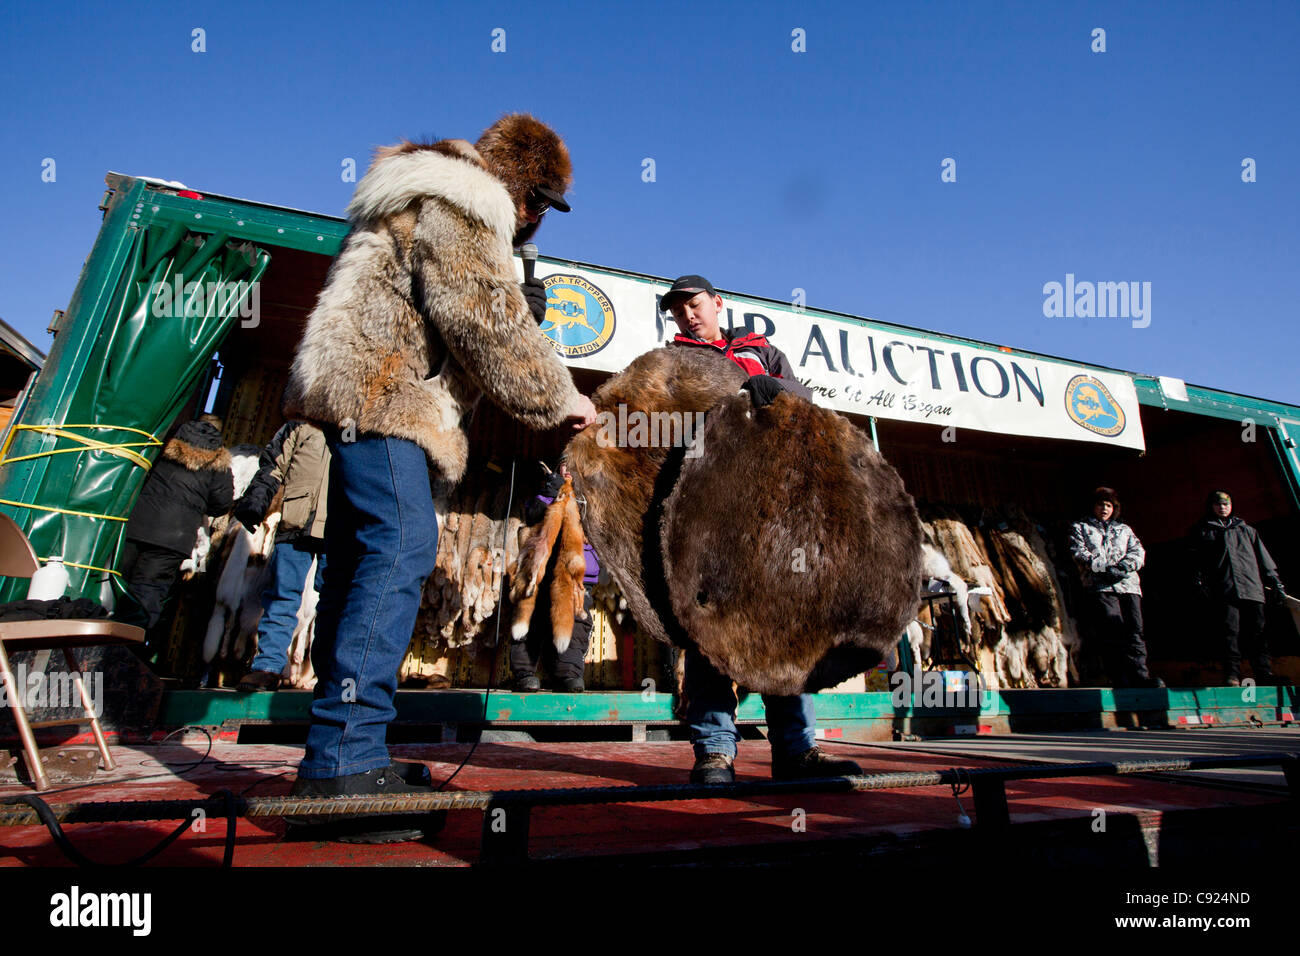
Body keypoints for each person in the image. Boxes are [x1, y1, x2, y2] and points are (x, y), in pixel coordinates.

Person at [279, 114, 596, 842]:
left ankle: (340, 755)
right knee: (400, 549)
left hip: (362, 392)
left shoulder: (425, 195)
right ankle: (344, 766)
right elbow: (480, 319)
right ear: (517, 185)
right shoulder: (463, 202)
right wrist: (558, 395)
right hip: (385, 395)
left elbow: (445, 312)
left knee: (363, 559)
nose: (540, 216)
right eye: (539, 200)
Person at [660, 274, 863, 784]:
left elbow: (807, 401)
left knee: (783, 630)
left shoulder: (763, 351)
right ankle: (714, 754)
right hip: (711, 510)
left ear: (717, 303)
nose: (687, 313)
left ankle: (795, 752)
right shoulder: (671, 361)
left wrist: (778, 388)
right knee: (708, 631)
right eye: (678, 308)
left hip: (777, 510)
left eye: (695, 303)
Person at [231, 420, 330, 692]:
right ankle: (268, 666)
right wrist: (255, 503)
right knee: (281, 596)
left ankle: (325, 671)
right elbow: (272, 466)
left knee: (333, 602)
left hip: (337, 529)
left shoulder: (358, 429)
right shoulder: (299, 427)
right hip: (294, 524)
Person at [118, 416, 233, 634]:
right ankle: (128, 646)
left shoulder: (164, 441)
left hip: (137, 526)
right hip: (174, 538)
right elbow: (221, 505)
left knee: (119, 581)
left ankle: (97, 637)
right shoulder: (219, 461)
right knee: (149, 591)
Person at [509, 465, 598, 693]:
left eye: (574, 464)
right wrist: (551, 495)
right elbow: (533, 515)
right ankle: (523, 672)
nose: (568, 469)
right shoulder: (546, 494)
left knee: (576, 622)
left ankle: (568, 673)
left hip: (576, 575)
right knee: (532, 615)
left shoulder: (592, 497)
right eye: (564, 464)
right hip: (541, 571)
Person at [1188, 490, 1289, 686]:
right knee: (1229, 633)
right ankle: (1232, 674)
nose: (1222, 507)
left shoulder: (1247, 530)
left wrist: (1275, 581)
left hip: (1252, 589)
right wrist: (1197, 580)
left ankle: (1263, 673)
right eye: (1218, 504)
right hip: (1224, 590)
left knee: (1258, 633)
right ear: (1211, 506)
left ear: (1232, 505)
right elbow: (1195, 561)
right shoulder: (1202, 531)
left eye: (1226, 503)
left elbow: (1264, 560)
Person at [1067, 487, 1162, 689]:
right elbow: (1078, 553)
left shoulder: (1124, 530)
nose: (1104, 508)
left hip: (1128, 586)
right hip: (1101, 587)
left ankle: (1141, 676)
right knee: (1112, 630)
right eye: (1101, 504)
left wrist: (1124, 566)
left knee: (1135, 631)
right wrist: (1103, 568)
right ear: (1093, 506)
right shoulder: (1081, 527)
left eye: (1109, 505)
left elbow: (1138, 552)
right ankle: (1119, 677)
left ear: (1114, 508)